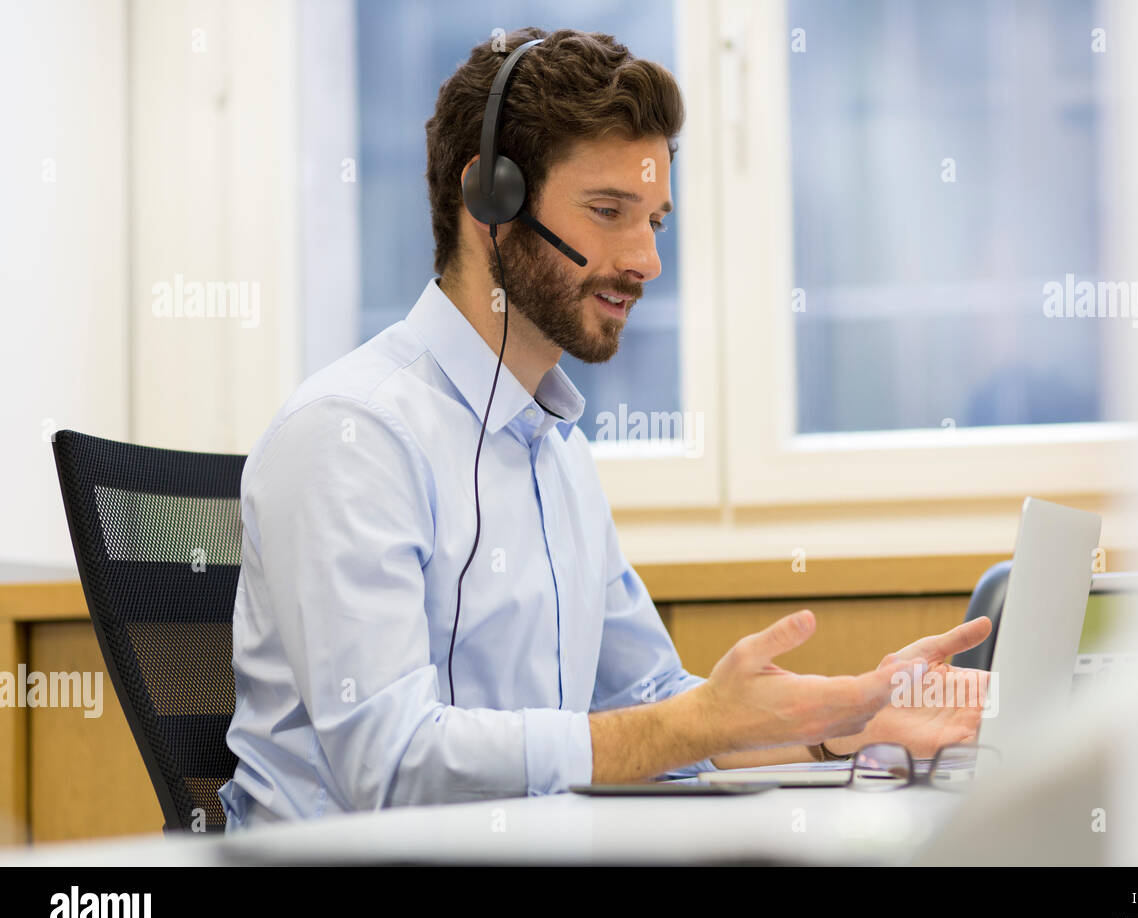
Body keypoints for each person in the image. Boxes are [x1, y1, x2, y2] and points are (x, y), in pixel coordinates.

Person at [217, 26, 991, 829]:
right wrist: (687, 725)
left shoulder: (555, 450)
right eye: (609, 211)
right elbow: (392, 764)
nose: (647, 259)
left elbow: (655, 709)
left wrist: (851, 724)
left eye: (654, 220)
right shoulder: (352, 437)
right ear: (493, 201)